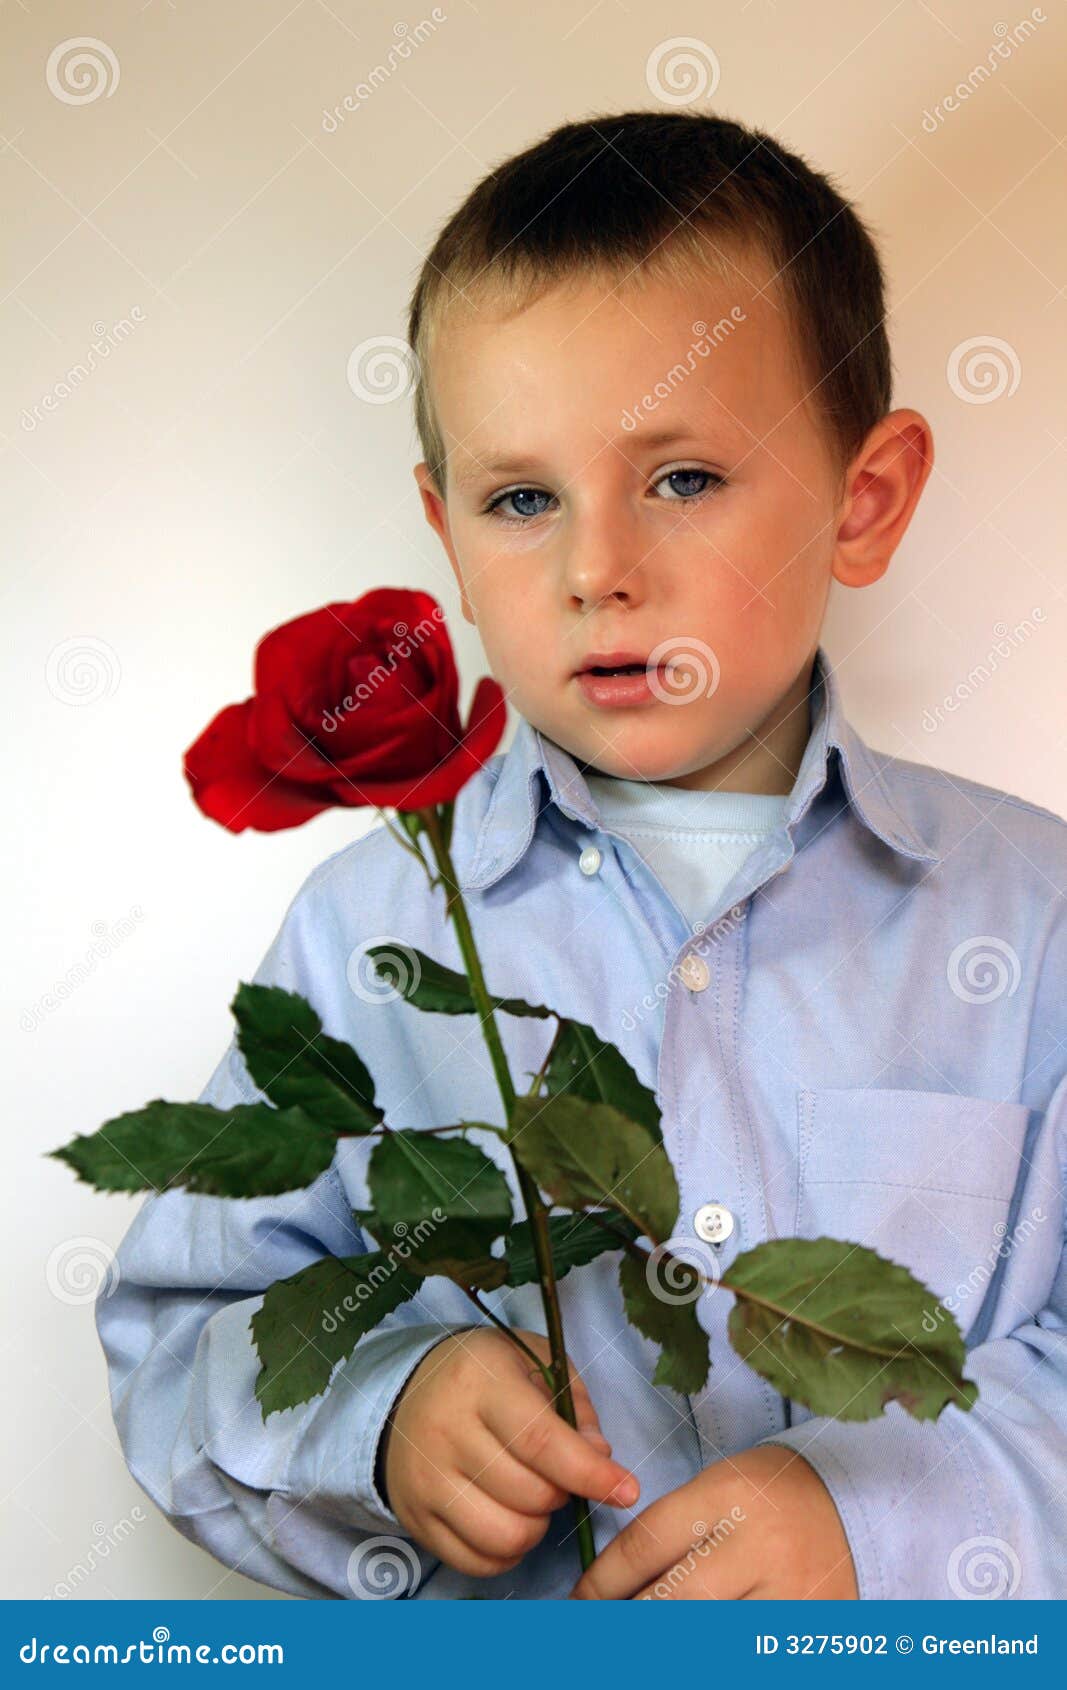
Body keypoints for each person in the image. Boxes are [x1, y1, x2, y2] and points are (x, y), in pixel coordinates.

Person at [97, 110, 1066, 1601]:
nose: (594, 567)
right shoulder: (363, 936)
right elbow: (182, 1338)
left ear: (862, 501)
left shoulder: (1036, 915)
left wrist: (889, 1515)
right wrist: (384, 1408)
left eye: (682, 478)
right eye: (521, 498)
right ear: (445, 528)